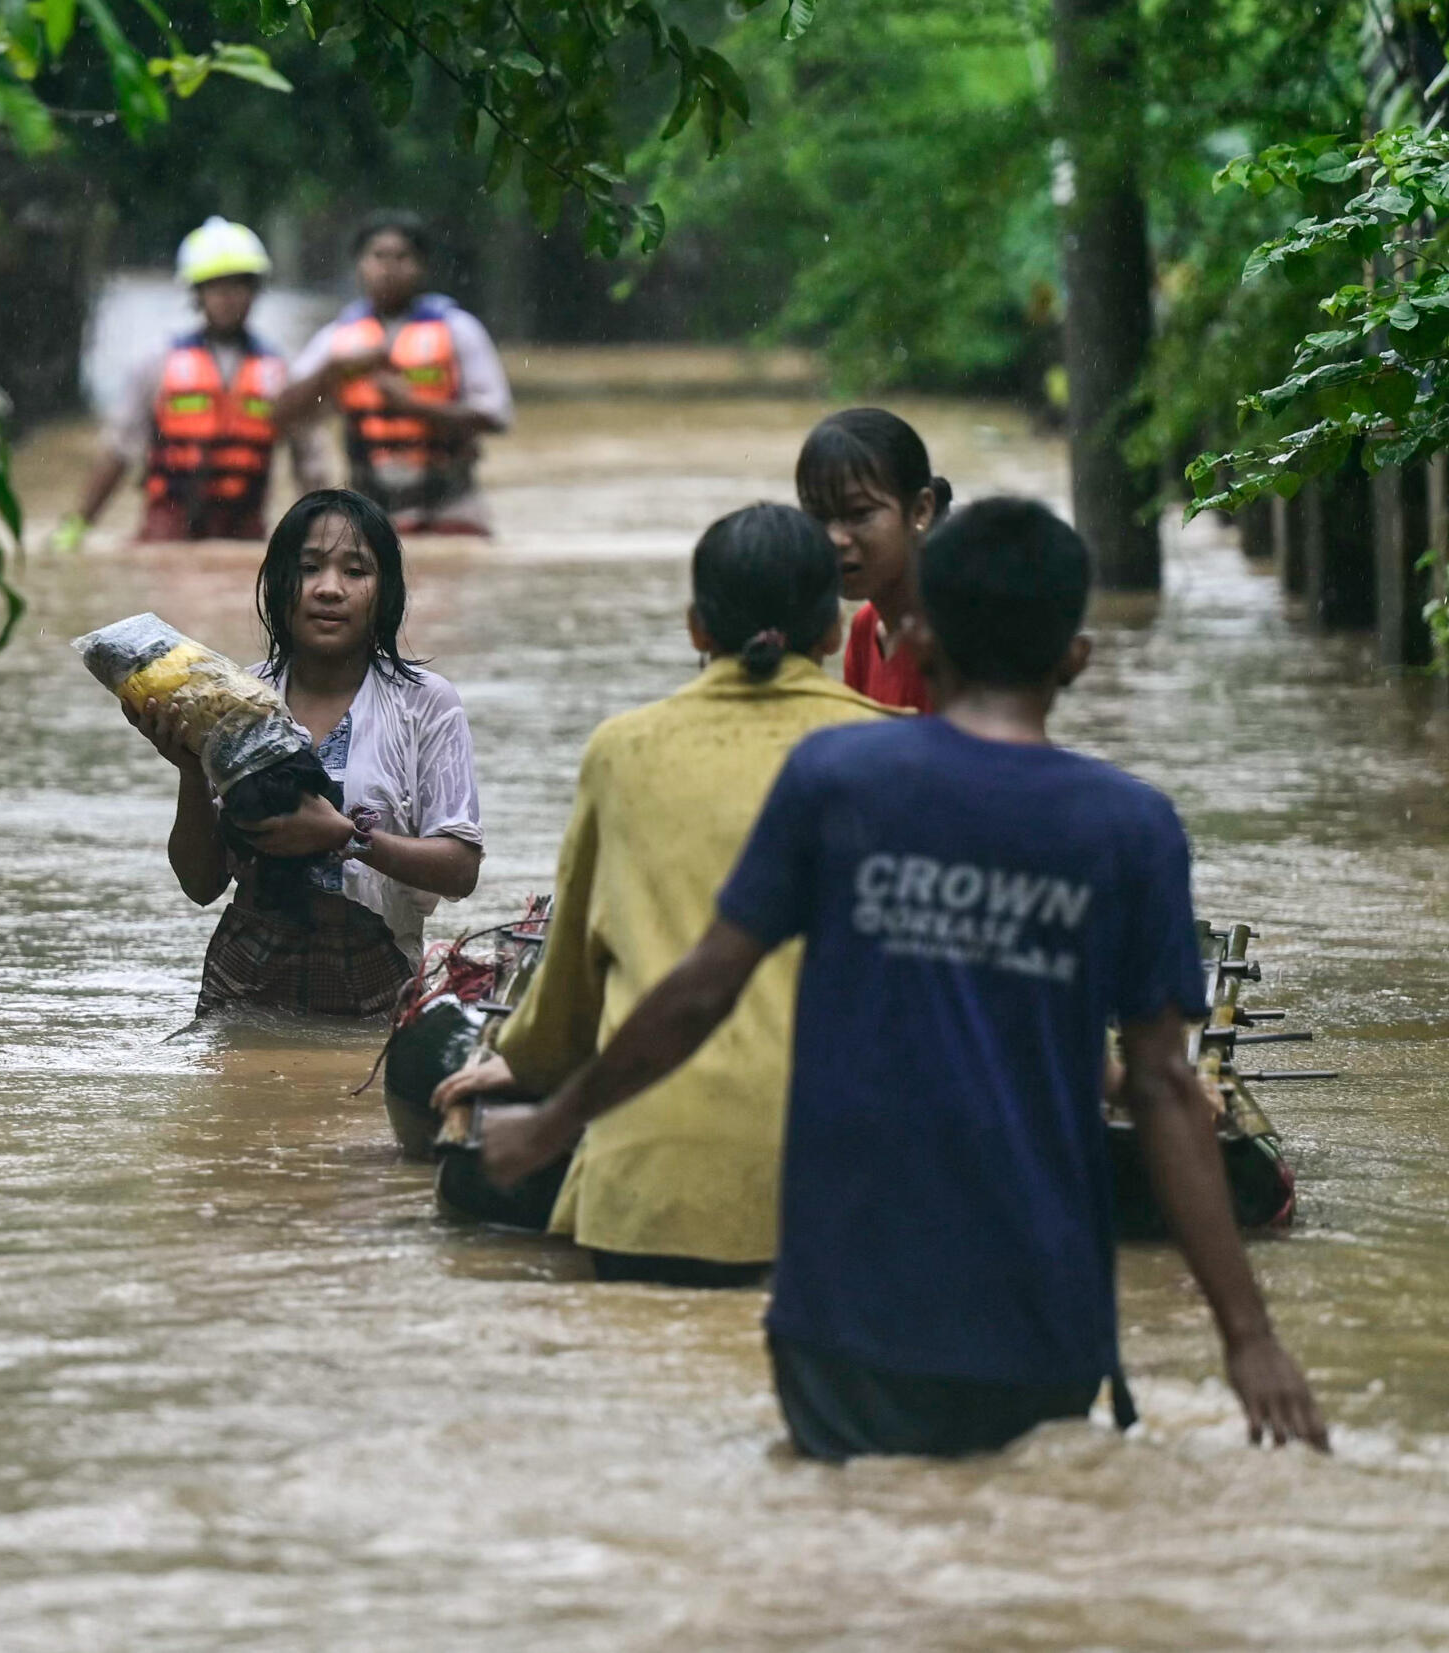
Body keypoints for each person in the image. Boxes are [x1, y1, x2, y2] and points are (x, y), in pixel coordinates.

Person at [477, 498, 1330, 1460]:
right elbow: (1167, 1088)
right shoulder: (1131, 827)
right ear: (1076, 657)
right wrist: (1249, 1338)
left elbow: (700, 990)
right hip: (1040, 1313)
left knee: (853, 1529)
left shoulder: (837, 780)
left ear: (916, 638)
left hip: (845, 1315)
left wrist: (551, 1121)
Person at [430, 505, 885, 1285]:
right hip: (849, 1192)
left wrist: (524, 1063)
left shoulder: (623, 751)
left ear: (696, 626)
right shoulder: (896, 751)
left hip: (652, 1190)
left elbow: (572, 973)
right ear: (834, 631)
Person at [126, 489, 485, 1017]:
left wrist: (345, 837)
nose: (329, 589)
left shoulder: (425, 703)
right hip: (244, 978)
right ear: (278, 584)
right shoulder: (236, 697)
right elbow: (201, 885)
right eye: (309, 567)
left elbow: (460, 868)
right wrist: (190, 767)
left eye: (355, 571)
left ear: (386, 592)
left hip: (381, 982)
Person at [55, 218, 325, 549]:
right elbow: (118, 452)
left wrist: (322, 532)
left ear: (255, 290)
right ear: (196, 293)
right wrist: (79, 525)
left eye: (239, 285)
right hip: (167, 532)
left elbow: (309, 462)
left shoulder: (281, 372)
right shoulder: (156, 365)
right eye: (216, 286)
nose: (228, 297)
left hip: (244, 534)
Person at [276, 211, 512, 536]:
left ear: (422, 266)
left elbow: (497, 415)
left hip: (451, 502)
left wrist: (415, 407)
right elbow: (283, 412)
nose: (389, 268)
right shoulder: (337, 339)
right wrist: (333, 369)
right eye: (378, 256)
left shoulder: (458, 328)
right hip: (370, 507)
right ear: (360, 265)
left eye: (402, 257)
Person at [794, 408, 951, 713]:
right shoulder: (865, 629)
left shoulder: (955, 640)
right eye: (818, 517)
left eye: (859, 514)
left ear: (921, 511)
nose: (835, 538)